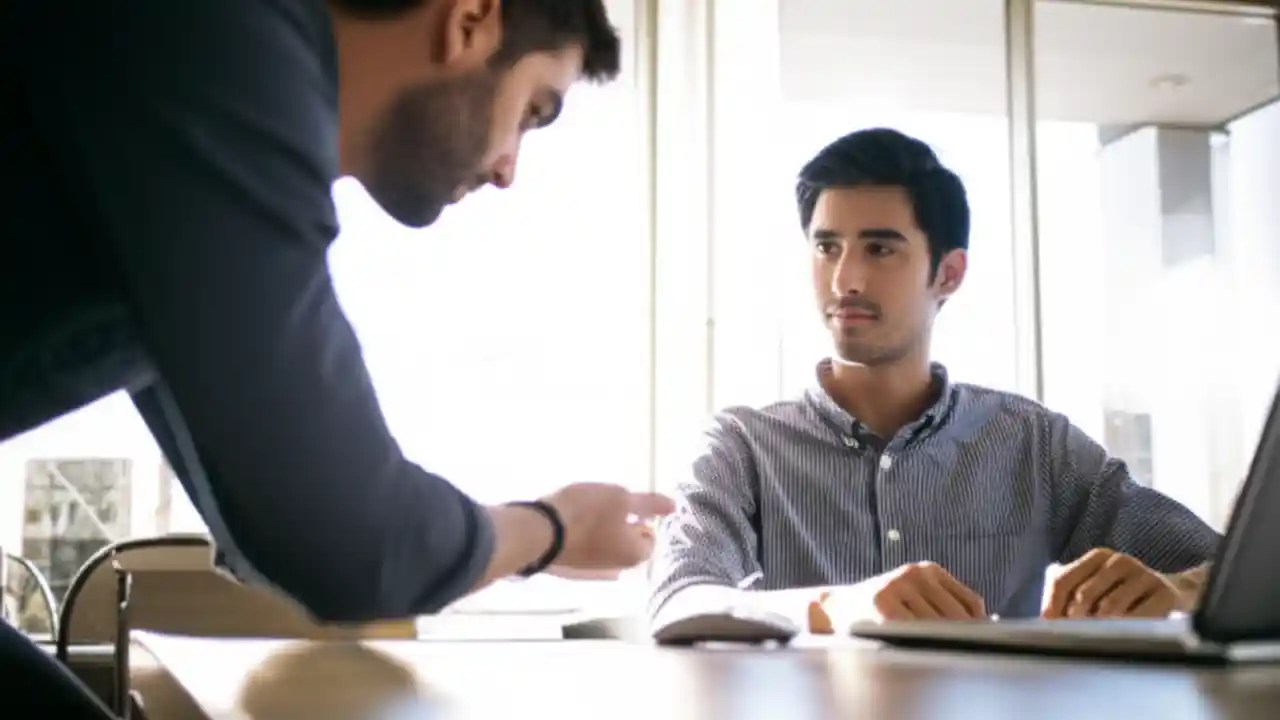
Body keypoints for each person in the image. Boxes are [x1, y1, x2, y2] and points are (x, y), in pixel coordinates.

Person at [1, 1, 672, 710]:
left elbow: (279, 524)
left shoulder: (201, 137)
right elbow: (354, 541)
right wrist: (554, 529)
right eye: (534, 112)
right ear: (471, 19)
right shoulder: (223, 45)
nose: (509, 168)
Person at [648, 128, 1219, 631]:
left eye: (879, 248)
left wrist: (1178, 591)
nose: (845, 278)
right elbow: (679, 600)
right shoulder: (741, 446)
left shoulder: (1036, 447)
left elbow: (1234, 570)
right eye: (827, 247)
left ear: (948, 273)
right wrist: (833, 607)